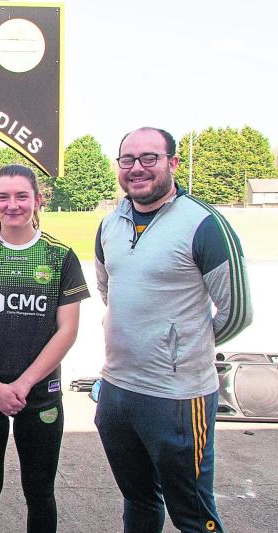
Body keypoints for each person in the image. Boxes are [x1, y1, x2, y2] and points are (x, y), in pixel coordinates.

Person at [94, 127, 253, 533]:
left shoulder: (203, 223)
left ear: (172, 163)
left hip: (178, 398)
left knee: (193, 515)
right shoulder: (110, 225)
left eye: (149, 158)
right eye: (127, 160)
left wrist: (182, 348)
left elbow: (236, 312)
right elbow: (109, 292)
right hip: (118, 391)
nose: (137, 168)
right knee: (139, 501)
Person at [0, 164, 89, 532]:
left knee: (40, 492)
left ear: (38, 200)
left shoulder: (60, 256)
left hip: (41, 393)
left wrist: (24, 384)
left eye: (21, 196)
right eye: (3, 197)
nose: (12, 205)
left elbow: (67, 330)